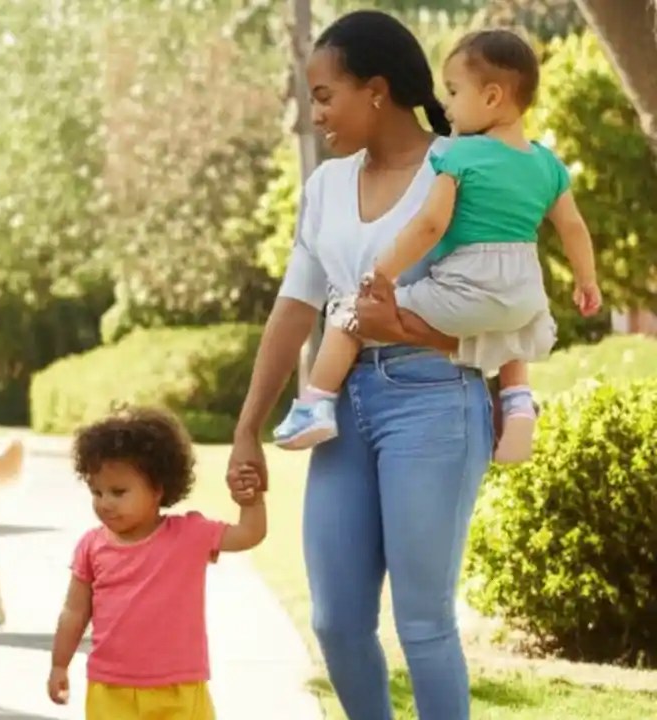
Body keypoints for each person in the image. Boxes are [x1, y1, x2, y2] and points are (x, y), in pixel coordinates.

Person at [225, 11, 495, 720]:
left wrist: (404, 324)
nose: (315, 115)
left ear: (376, 91)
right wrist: (248, 427)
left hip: (435, 400)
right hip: (340, 404)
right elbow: (293, 309)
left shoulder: (460, 172)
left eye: (323, 95)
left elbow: (510, 311)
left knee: (423, 623)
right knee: (337, 623)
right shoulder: (325, 188)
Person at [271, 28, 601, 463]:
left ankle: (315, 404)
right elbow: (573, 227)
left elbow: (428, 226)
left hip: (468, 281)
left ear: (491, 98)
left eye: (453, 90)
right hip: (524, 290)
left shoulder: (458, 156)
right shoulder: (546, 163)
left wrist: (382, 273)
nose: (444, 104)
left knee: (352, 314)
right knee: (508, 330)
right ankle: (518, 401)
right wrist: (587, 281)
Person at [48, 407, 266, 720]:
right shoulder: (91, 546)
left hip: (179, 688)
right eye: (96, 491)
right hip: (111, 689)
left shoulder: (190, 534)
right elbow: (75, 610)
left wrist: (252, 501)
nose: (104, 502)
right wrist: (59, 663)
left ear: (158, 489)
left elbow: (249, 534)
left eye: (118, 492)